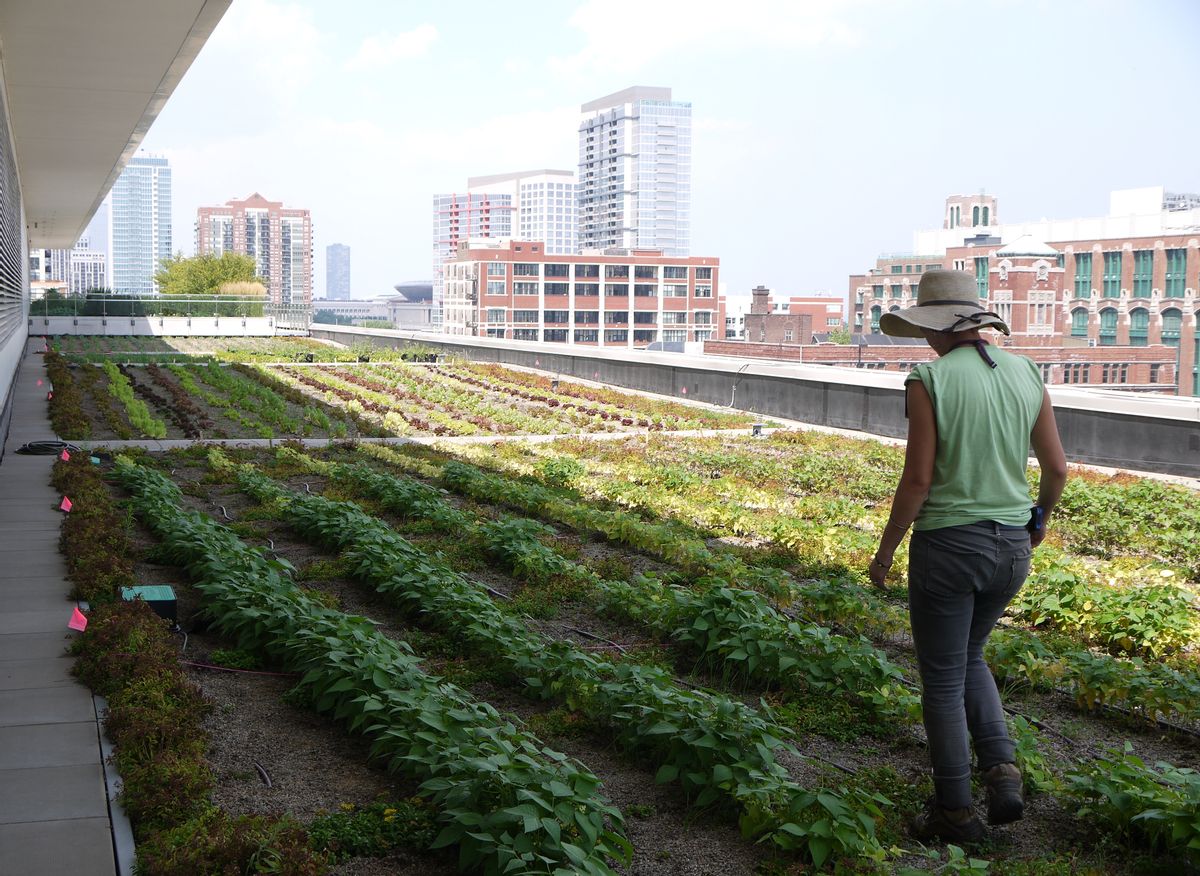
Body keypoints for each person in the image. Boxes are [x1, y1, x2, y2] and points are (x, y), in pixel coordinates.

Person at [867, 269, 1067, 843]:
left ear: (937, 329)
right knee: (971, 656)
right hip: (1011, 549)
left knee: (941, 680)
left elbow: (918, 478)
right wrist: (1039, 519)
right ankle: (1002, 770)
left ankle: (955, 813)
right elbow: (1057, 470)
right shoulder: (1028, 372)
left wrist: (885, 553)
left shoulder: (927, 380)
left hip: (949, 549)